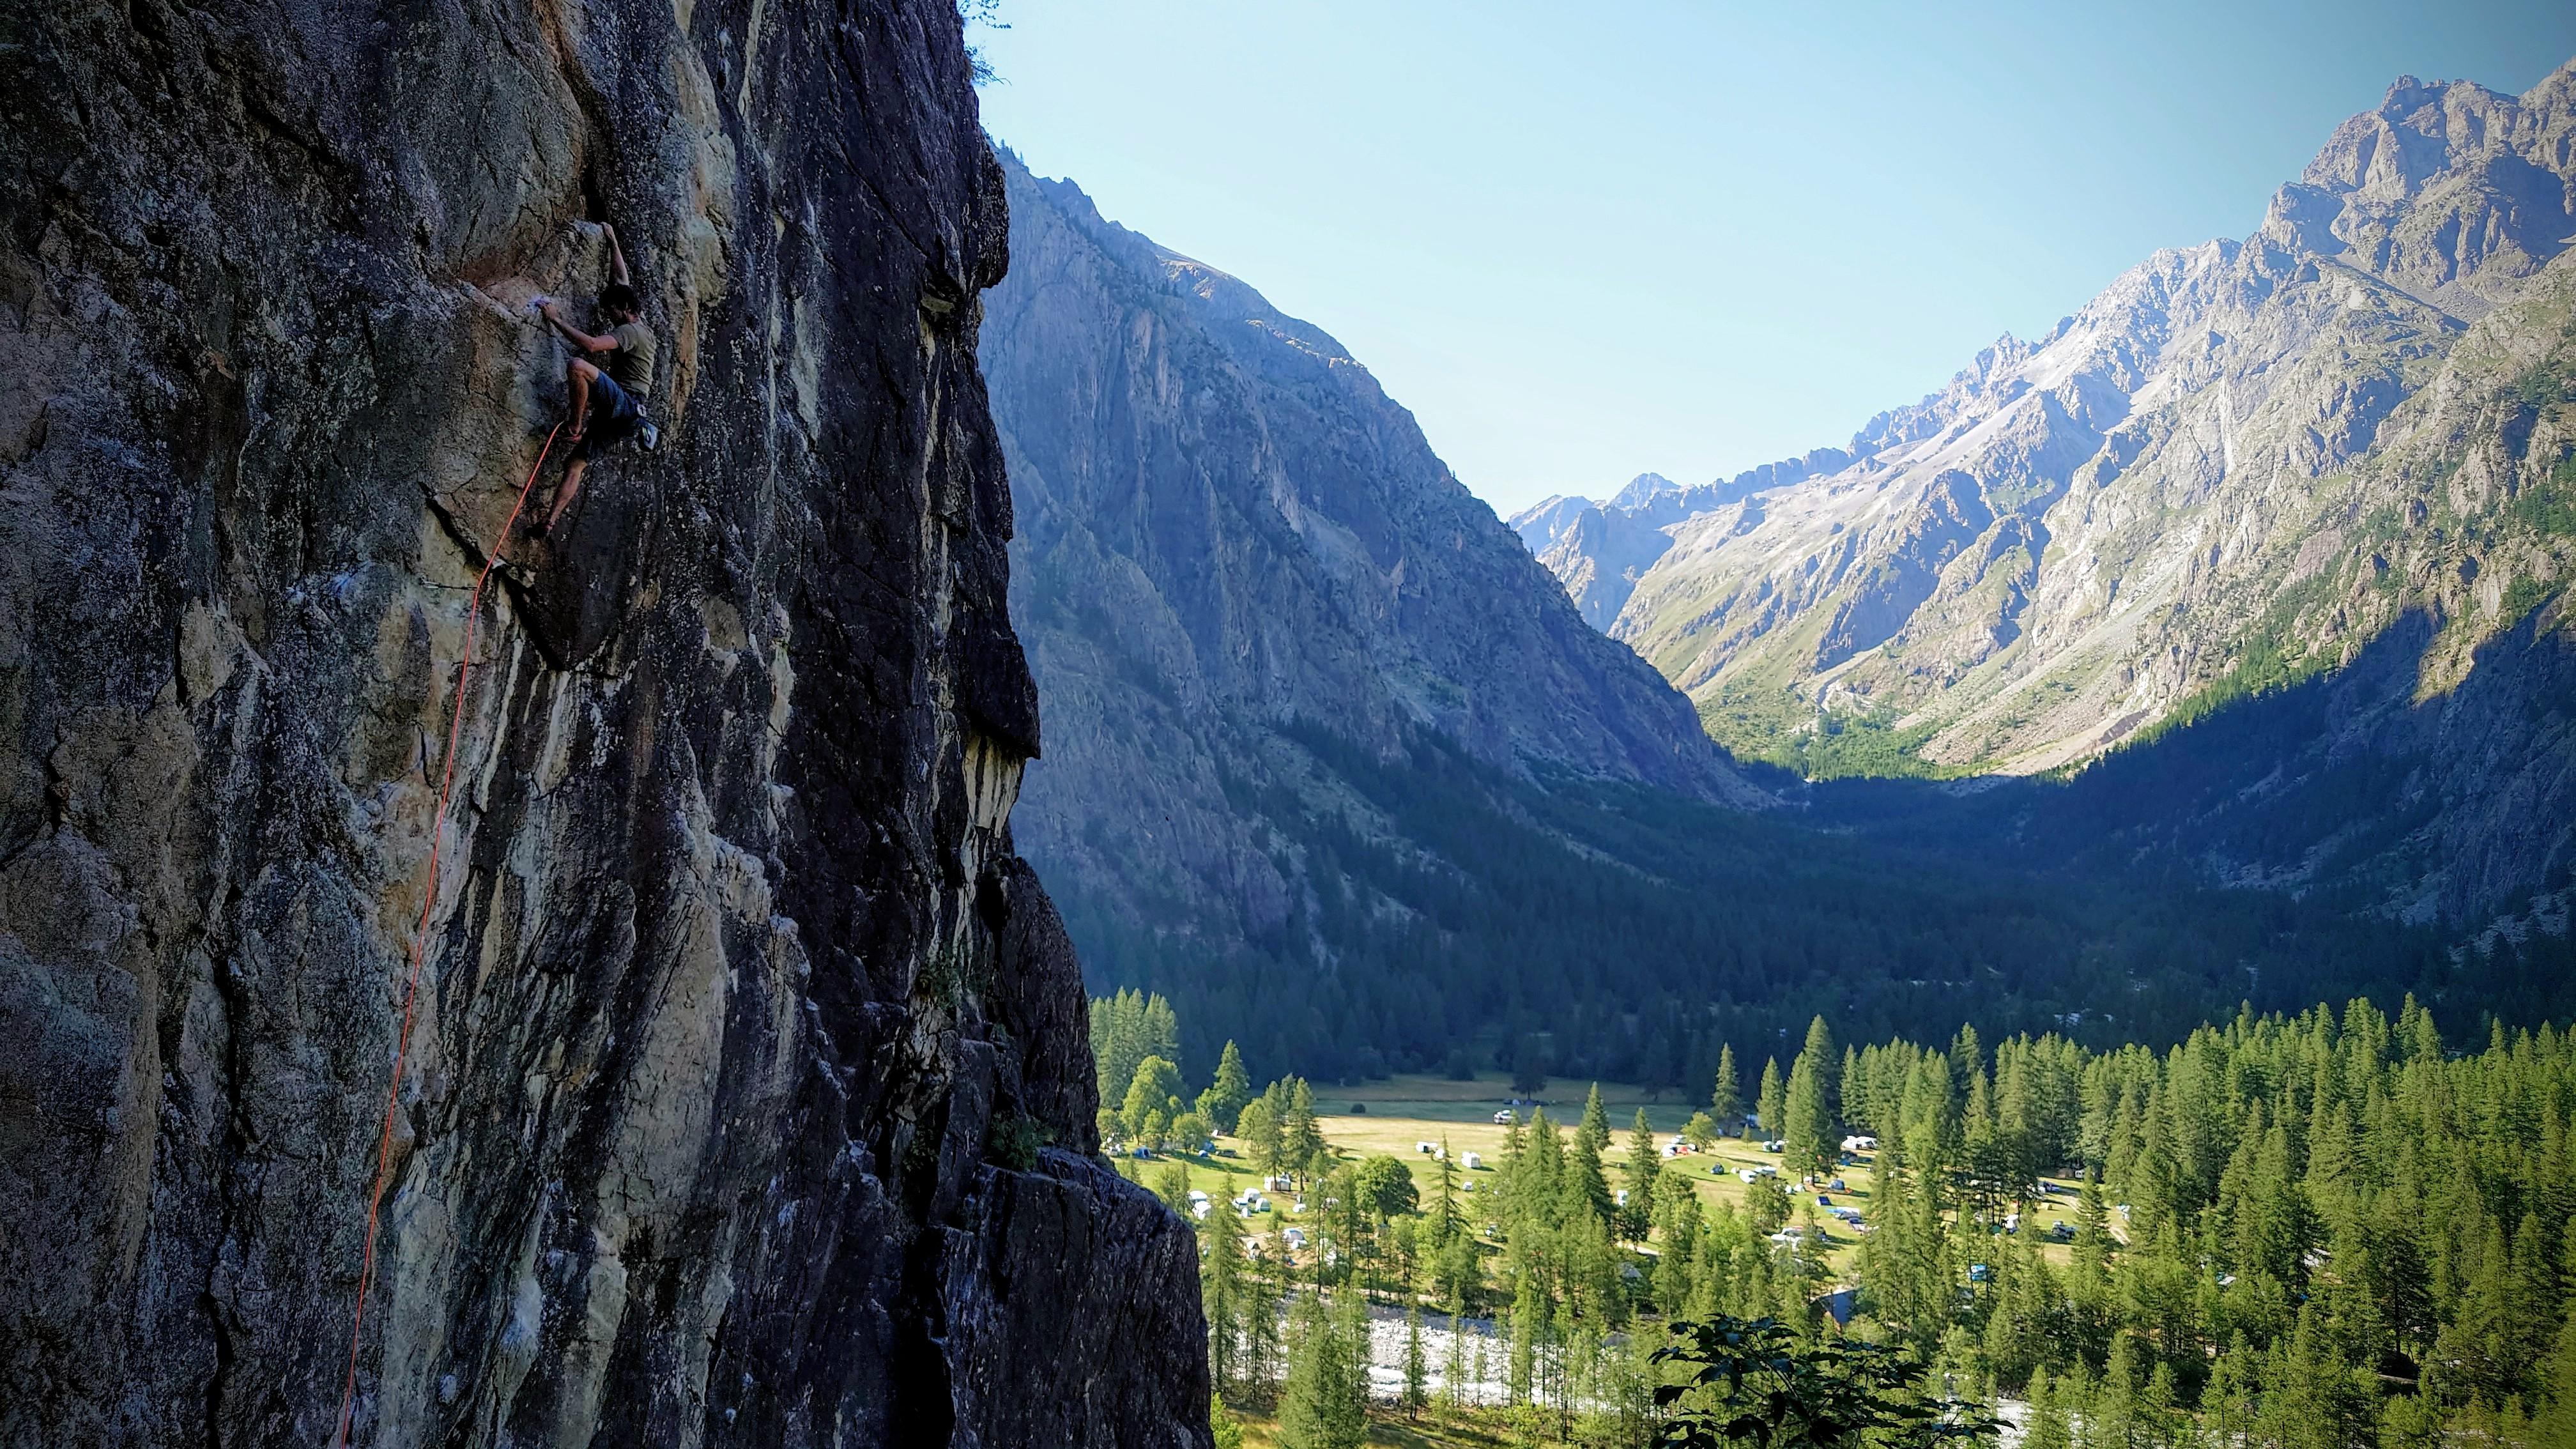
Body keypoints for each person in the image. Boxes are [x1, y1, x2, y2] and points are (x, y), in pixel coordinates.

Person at [528, 222, 658, 537]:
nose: (610, 316)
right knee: (576, 465)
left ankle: (574, 427)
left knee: (578, 366)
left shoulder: (629, 332)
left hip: (625, 403)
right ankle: (550, 523)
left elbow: (591, 346)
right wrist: (613, 242)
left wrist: (555, 319)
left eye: (613, 312)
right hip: (628, 416)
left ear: (625, 310)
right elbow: (621, 280)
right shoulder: (642, 325)